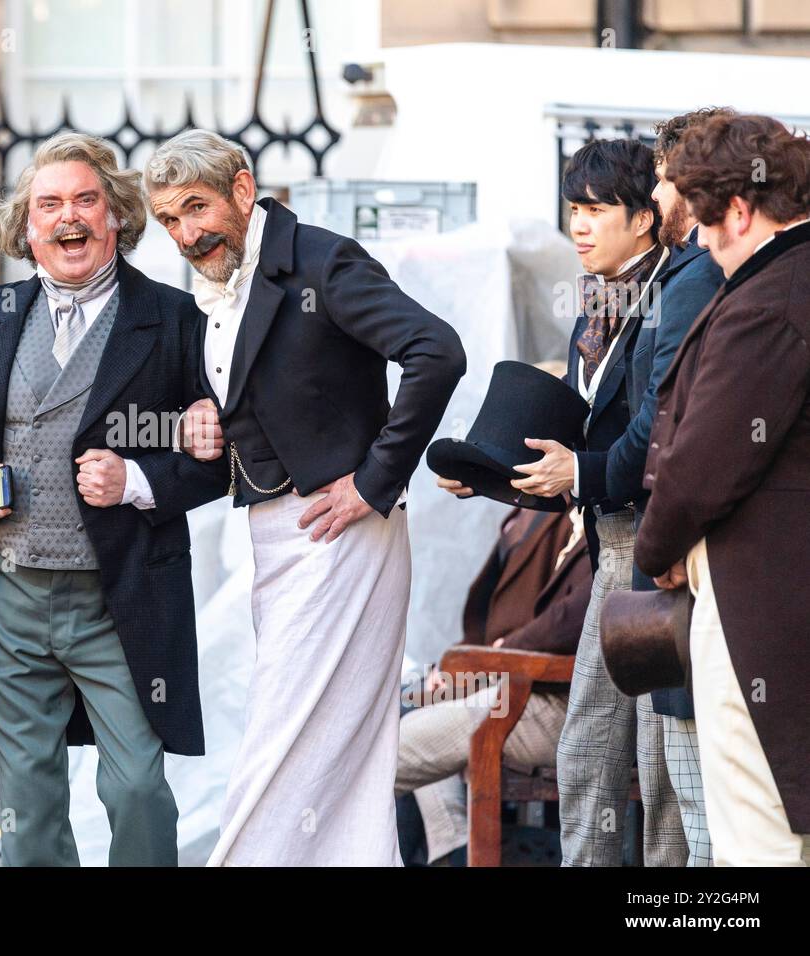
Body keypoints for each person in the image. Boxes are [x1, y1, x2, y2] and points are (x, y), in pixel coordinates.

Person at [0, 132, 228, 866]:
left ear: (115, 216)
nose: (69, 218)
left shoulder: (177, 322)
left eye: (86, 200)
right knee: (29, 804)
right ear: (26, 228)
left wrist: (140, 480)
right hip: (6, 598)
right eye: (48, 204)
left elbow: (227, 456)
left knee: (137, 790)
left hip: (119, 600)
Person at [155, 129, 466, 865]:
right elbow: (252, 389)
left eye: (196, 207)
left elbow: (437, 351)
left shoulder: (322, 261)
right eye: (169, 219)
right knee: (330, 748)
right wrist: (201, 411)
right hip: (274, 533)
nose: (186, 233)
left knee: (288, 737)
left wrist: (373, 482)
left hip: (342, 533)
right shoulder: (217, 280)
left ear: (241, 188)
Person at [463, 138, 687, 866]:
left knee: (657, 767)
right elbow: (573, 440)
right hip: (610, 548)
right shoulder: (594, 310)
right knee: (590, 750)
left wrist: (583, 477)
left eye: (595, 208)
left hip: (656, 551)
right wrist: (492, 472)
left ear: (646, 218)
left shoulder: (671, 297)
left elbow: (654, 434)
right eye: (573, 210)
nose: (580, 225)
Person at [637, 112, 810, 866]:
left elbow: (702, 466)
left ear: (739, 209)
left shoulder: (768, 302)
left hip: (758, 606)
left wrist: (657, 550)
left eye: (706, 220)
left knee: (758, 838)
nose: (702, 241)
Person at [615, 109, 731, 866]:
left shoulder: (695, 279)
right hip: (678, 553)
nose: (655, 195)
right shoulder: (687, 274)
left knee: (700, 803)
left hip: (680, 559)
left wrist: (588, 477)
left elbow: (671, 426)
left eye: (660, 179)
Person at [396, 492, 592, 866]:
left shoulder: (610, 519)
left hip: (549, 696)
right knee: (406, 701)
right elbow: (499, 611)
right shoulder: (547, 510)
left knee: (378, 754)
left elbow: (570, 620)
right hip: (511, 677)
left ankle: (445, 850)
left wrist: (493, 655)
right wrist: (463, 666)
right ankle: (450, 848)